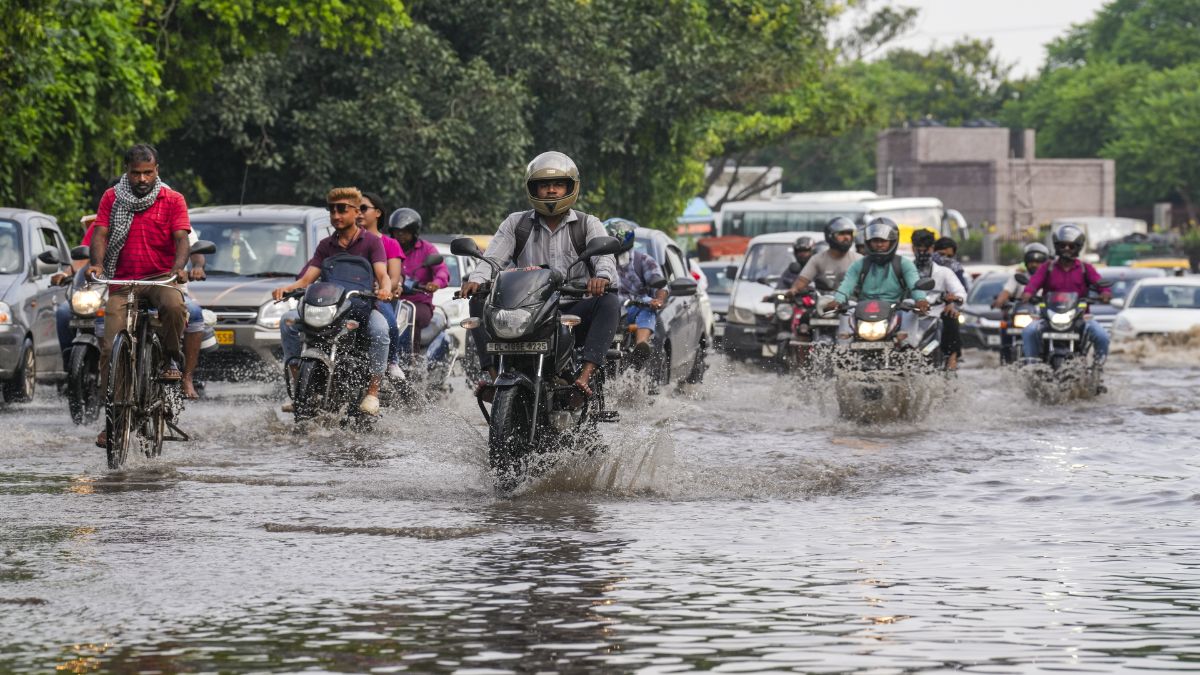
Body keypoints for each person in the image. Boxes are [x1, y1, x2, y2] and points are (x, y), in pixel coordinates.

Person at [460, 150, 618, 399]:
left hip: (572, 308)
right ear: (533, 189)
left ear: (571, 188)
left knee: (609, 301)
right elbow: (492, 259)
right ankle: (494, 379)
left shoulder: (588, 224)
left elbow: (604, 257)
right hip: (527, 309)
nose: (552, 191)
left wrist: (603, 277)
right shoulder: (516, 223)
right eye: (544, 185)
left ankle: (583, 379)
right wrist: (476, 280)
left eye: (558, 184)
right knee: (478, 301)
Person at [85, 144, 191, 447]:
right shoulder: (111, 197)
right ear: (127, 172)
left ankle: (171, 358)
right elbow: (101, 234)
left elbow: (182, 239)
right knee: (110, 348)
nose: (142, 178)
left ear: (157, 170)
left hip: (160, 277)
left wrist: (178, 269)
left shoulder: (172, 199)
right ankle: (114, 418)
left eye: (148, 172)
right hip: (122, 280)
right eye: (136, 173)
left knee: (173, 306)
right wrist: (96, 264)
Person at [272, 187, 394, 415]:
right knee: (288, 321)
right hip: (328, 310)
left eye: (342, 210)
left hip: (361, 308)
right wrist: (286, 289)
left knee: (381, 331)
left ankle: (372, 393)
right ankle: (301, 389)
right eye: (332, 210)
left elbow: (382, 274)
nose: (336, 215)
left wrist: (385, 289)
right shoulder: (325, 245)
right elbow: (308, 278)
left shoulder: (371, 243)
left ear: (356, 212)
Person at [1018, 224, 1111, 365]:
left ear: (1078, 247)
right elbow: (1033, 283)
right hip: (1048, 318)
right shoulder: (1047, 267)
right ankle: (1032, 366)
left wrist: (1105, 293)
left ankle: (1097, 369)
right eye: (1063, 245)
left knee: (1102, 336)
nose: (1066, 249)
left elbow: (1099, 283)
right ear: (1056, 246)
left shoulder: (1086, 268)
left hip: (1080, 319)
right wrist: (1027, 293)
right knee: (1029, 331)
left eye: (1071, 246)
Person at [825, 217, 928, 342]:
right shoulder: (859, 264)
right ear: (868, 242)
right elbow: (847, 284)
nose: (879, 244)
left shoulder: (904, 264)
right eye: (875, 240)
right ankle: (843, 352)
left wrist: (921, 300)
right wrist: (838, 301)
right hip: (864, 311)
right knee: (848, 307)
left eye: (883, 241)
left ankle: (908, 350)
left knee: (911, 305)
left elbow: (915, 285)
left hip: (896, 309)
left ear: (892, 241)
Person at [604, 218, 668, 365]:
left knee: (647, 304)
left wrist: (658, 300)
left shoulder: (644, 260)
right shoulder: (598, 261)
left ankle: (641, 344)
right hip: (605, 308)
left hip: (633, 310)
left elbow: (660, 286)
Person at [357, 192, 407, 379]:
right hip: (350, 297)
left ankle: (391, 362)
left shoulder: (390, 243)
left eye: (363, 208)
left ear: (378, 212)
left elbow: (393, 277)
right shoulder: (350, 241)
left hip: (376, 298)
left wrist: (383, 289)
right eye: (356, 209)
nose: (359, 213)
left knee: (390, 326)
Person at [388, 207, 449, 358]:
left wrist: (435, 283)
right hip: (391, 300)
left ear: (414, 231)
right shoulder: (387, 248)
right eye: (397, 231)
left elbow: (442, 271)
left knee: (410, 317)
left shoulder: (427, 249)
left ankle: (411, 361)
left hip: (418, 304)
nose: (400, 234)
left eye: (405, 231)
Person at [912, 228, 967, 369]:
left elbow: (960, 291)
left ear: (932, 249)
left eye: (926, 250)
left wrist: (955, 300)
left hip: (937, 313)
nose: (922, 253)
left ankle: (952, 359)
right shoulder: (906, 269)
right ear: (913, 248)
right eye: (919, 249)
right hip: (910, 314)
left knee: (951, 317)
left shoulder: (944, 272)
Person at [786, 217, 862, 296]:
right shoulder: (817, 259)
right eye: (842, 234)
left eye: (849, 233)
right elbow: (802, 281)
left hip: (853, 305)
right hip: (823, 304)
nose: (847, 237)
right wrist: (793, 291)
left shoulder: (859, 260)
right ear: (829, 235)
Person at [992, 243, 1049, 309]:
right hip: (1023, 313)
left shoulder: (1051, 278)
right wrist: (1000, 300)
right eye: (1031, 262)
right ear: (1026, 262)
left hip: (1047, 314)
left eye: (1038, 262)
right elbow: (1007, 291)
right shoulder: (1018, 277)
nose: (1034, 265)